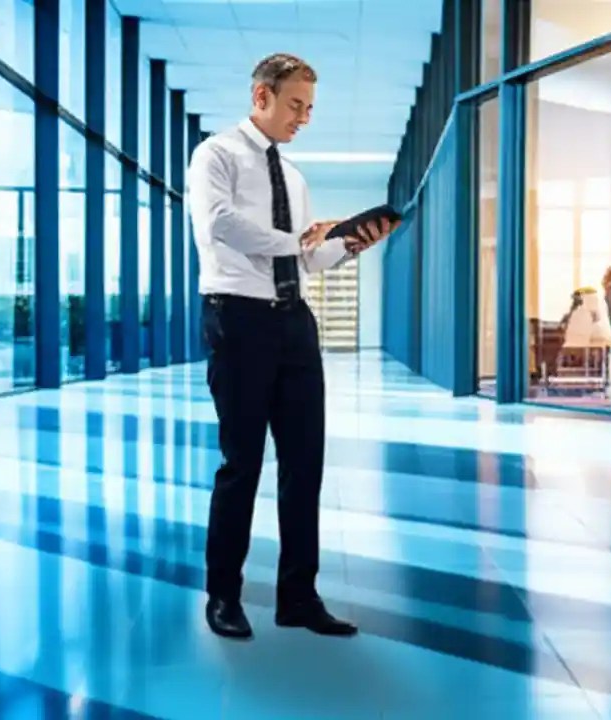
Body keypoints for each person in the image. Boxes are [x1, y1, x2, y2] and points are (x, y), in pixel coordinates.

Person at [187, 53, 398, 640]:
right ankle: (224, 596)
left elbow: (305, 257)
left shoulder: (296, 178)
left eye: (309, 108)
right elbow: (222, 225)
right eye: (295, 105)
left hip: (294, 323)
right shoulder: (217, 156)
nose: (303, 117)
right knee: (242, 465)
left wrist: (349, 244)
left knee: (305, 467)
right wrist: (299, 238)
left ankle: (298, 597)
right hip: (239, 319)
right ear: (262, 96)